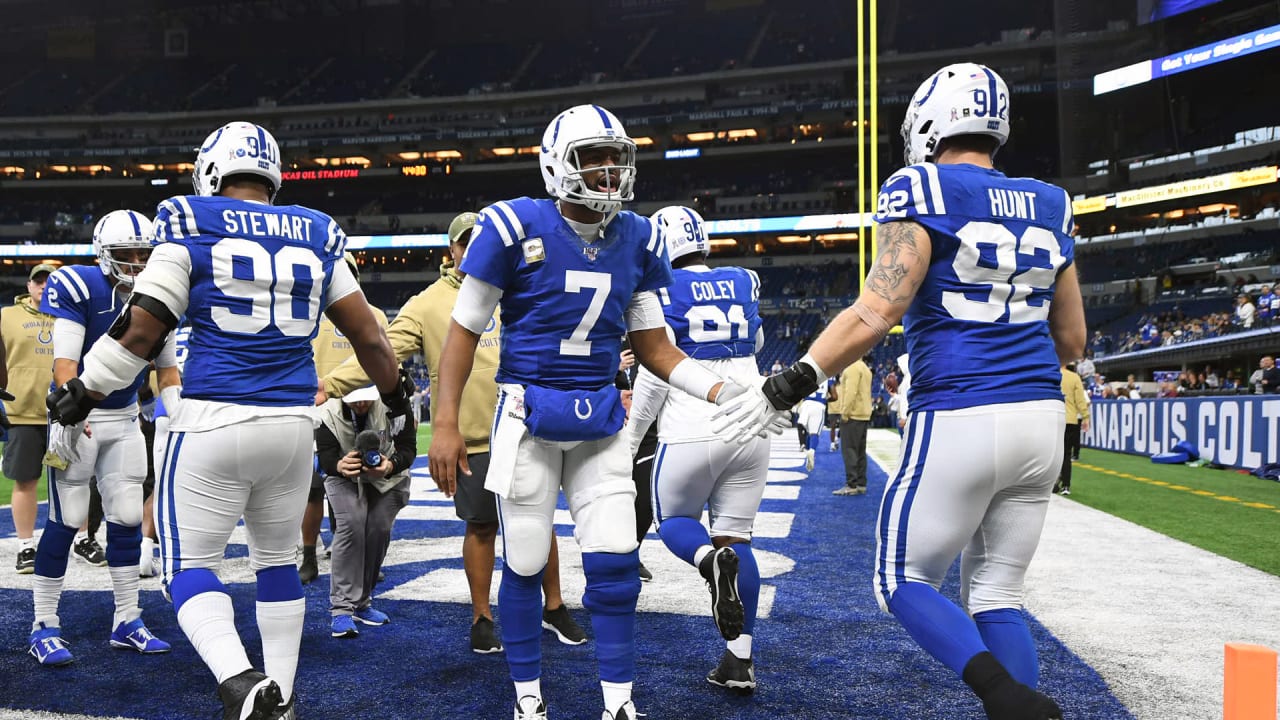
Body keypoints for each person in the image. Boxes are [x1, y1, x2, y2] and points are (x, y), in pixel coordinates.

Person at [713, 63, 1083, 720]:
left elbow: (875, 311)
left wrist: (789, 383)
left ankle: (1006, 699)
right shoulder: (1052, 201)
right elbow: (1074, 339)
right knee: (998, 593)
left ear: (929, 124)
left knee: (900, 580)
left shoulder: (921, 185)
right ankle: (1019, 706)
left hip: (962, 411)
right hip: (1041, 418)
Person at [45, 121, 408, 720]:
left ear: (210, 171)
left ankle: (240, 681)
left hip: (213, 418)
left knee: (188, 569)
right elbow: (367, 333)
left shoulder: (191, 221)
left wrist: (85, 389)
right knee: (275, 562)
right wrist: (397, 396)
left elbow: (142, 329)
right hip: (292, 426)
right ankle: (283, 697)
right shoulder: (317, 232)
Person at [427, 104, 752, 720]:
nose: (607, 172)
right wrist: (444, 423)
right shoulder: (511, 225)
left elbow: (656, 347)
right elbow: (463, 333)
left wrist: (719, 390)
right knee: (523, 557)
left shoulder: (637, 235)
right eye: (591, 158)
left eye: (614, 158)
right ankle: (528, 699)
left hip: (601, 416)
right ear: (557, 164)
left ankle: (620, 703)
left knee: (616, 561)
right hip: (528, 415)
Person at [320, 211, 587, 654]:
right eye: (466, 241)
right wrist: (329, 385)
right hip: (475, 438)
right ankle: (482, 616)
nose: (474, 247)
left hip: (527, 430)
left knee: (540, 525)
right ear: (454, 251)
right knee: (481, 527)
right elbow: (382, 349)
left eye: (482, 240)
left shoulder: (519, 284)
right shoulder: (427, 304)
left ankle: (554, 606)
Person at [623, 205, 767, 692]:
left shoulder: (659, 290)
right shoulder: (744, 279)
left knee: (674, 524)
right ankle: (739, 660)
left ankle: (707, 564)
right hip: (751, 423)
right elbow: (758, 339)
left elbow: (654, 374)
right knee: (738, 541)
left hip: (692, 424)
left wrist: (628, 445)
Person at [30, 211, 178, 667]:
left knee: (129, 516)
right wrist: (76, 412)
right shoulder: (79, 286)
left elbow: (167, 368)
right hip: (80, 419)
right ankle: (43, 624)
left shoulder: (162, 292)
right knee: (67, 518)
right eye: (126, 255)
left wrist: (177, 413)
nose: (136, 263)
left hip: (126, 418)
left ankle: (127, 618)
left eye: (142, 254)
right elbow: (65, 365)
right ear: (103, 254)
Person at [301, 252, 389, 584]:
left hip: (363, 407)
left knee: (363, 486)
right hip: (321, 409)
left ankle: (361, 553)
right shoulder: (309, 316)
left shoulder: (375, 315)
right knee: (314, 491)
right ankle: (309, 556)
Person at [315, 385, 415, 638]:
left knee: (379, 528)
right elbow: (326, 457)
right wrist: (339, 464)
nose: (360, 405)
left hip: (389, 477)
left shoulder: (394, 405)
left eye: (365, 401)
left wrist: (390, 464)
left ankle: (362, 602)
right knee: (351, 525)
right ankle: (341, 609)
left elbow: (407, 448)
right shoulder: (327, 412)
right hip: (343, 478)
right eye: (354, 401)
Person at [1, 263, 55, 574]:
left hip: (65, 413)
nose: (44, 287)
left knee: (75, 482)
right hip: (22, 411)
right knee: (26, 481)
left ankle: (82, 539)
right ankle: (25, 546)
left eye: (51, 282)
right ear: (29, 285)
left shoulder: (69, 315)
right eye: (39, 281)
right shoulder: (7, 316)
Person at [832, 354, 871, 496]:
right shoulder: (865, 368)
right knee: (860, 450)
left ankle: (851, 484)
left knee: (849, 450)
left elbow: (851, 392)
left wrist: (844, 413)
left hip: (853, 415)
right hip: (864, 414)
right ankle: (861, 483)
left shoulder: (851, 368)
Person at [1056, 363, 1090, 495]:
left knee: (1050, 455)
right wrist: (1086, 416)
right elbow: (1080, 400)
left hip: (1053, 418)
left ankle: (1050, 483)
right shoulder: (1073, 377)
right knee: (1066, 454)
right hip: (1069, 419)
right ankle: (1066, 485)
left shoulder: (1049, 374)